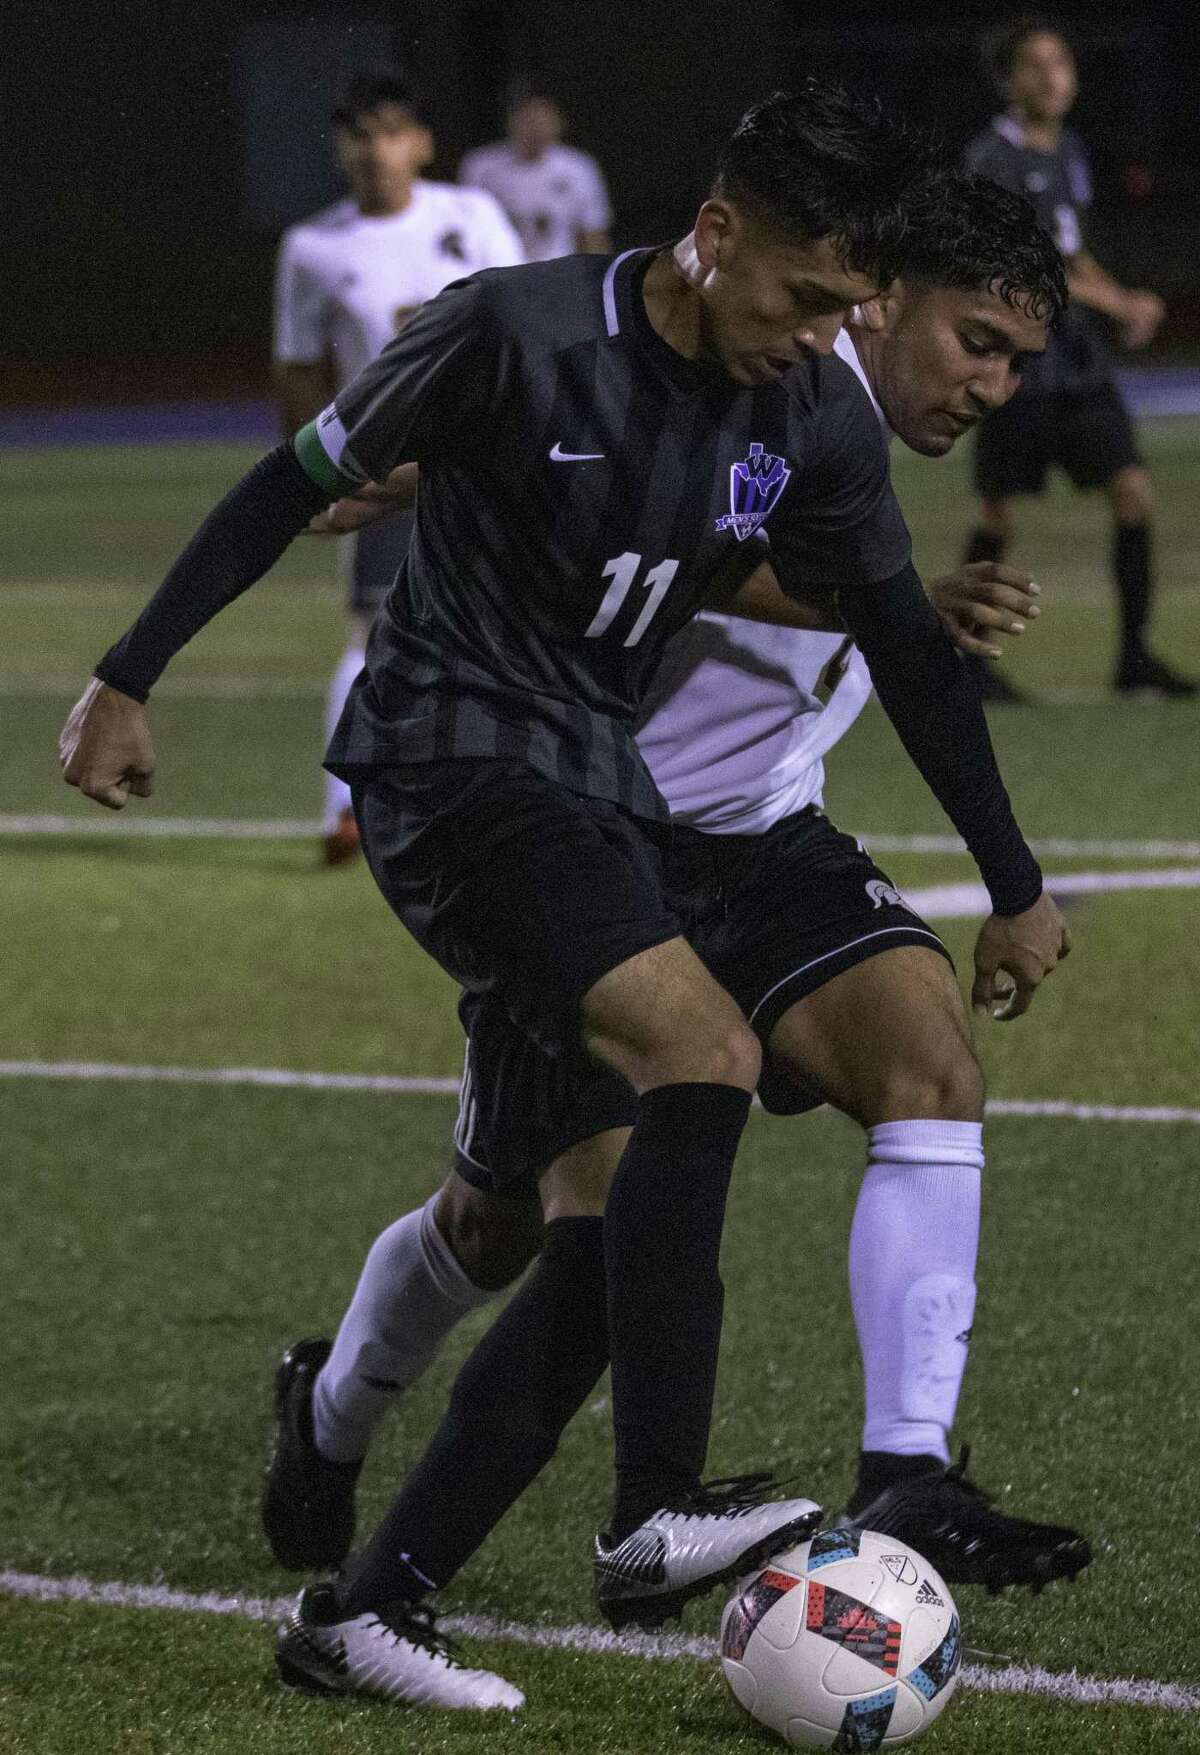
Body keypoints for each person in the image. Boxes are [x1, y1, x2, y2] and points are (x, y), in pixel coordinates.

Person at [60, 84, 1069, 1711]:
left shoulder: (803, 413)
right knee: (707, 1057)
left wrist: (1017, 882)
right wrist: (125, 676)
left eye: (846, 315)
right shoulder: (516, 331)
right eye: (806, 300)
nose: (820, 339)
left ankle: (368, 1609)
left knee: (584, 1246)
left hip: (596, 795)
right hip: (450, 758)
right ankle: (654, 1507)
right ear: (718, 235)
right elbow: (290, 478)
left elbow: (899, 647)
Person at [273, 71, 524, 863]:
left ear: (419, 142)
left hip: (490, 460)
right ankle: (343, 810)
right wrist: (312, 476)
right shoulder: (314, 247)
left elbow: (522, 321)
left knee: (516, 630)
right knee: (376, 632)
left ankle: (513, 799)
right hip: (387, 471)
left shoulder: (473, 216)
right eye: (357, 133)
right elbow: (297, 368)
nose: (373, 149)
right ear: (340, 148)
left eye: (388, 130)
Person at [960, 15, 1195, 702]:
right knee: (998, 512)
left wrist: (1120, 297)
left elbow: (1075, 250)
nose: (1055, 77)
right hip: (1019, 367)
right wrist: (1121, 304)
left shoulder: (1069, 151)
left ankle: (1134, 658)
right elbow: (1035, 265)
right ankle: (965, 658)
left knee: (1132, 492)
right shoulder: (991, 161)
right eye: (1037, 65)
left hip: (1079, 364)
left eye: (1062, 63)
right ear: (1009, 79)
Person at [459, 88, 612, 260]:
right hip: (500, 273)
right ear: (512, 121)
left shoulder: (578, 167)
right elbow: (466, 228)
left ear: (560, 123)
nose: (536, 126)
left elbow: (593, 231)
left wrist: (595, 281)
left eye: (543, 118)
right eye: (528, 118)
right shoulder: (480, 165)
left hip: (558, 272)